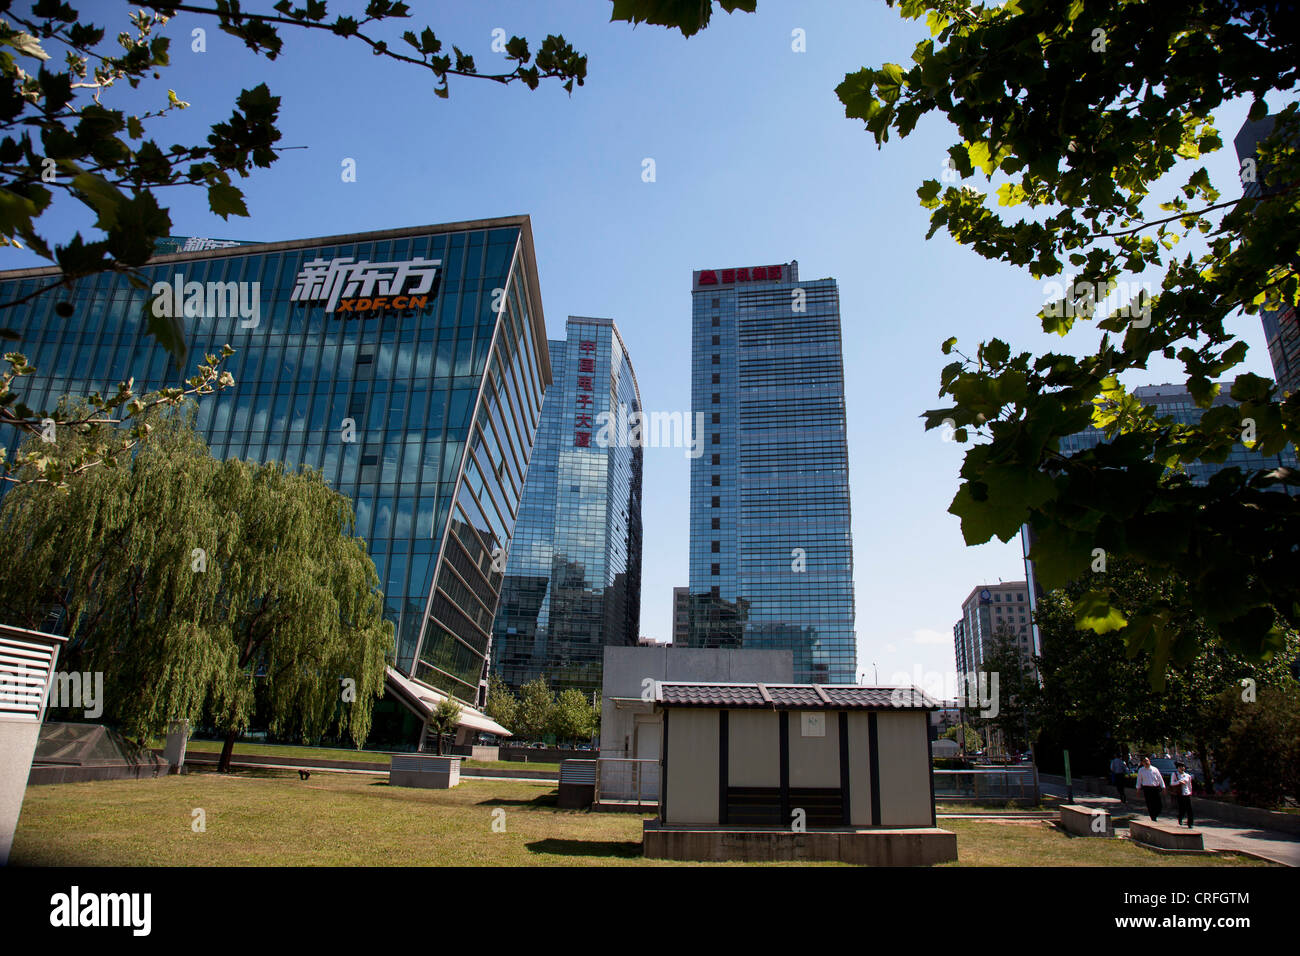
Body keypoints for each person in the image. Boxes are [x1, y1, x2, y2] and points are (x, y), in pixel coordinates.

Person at [1135, 756, 1166, 821]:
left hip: (1155, 788)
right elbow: (1139, 780)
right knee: (1150, 803)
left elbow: (1160, 778)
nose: (1146, 762)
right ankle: (1153, 817)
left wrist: (1163, 787)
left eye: (1147, 761)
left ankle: (1156, 813)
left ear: (1149, 761)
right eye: (1144, 761)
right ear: (1142, 763)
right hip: (1147, 789)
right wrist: (1138, 788)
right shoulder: (1141, 770)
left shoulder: (1155, 769)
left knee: (1159, 804)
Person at [1171, 761, 1195, 828]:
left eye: (1183, 767)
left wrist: (1190, 792)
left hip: (1187, 793)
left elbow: (1189, 785)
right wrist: (1179, 782)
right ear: (1178, 768)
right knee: (1182, 808)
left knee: (1189, 809)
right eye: (1180, 767)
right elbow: (1172, 783)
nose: (1182, 768)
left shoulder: (1187, 775)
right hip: (1180, 793)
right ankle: (1180, 817)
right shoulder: (1175, 774)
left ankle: (1190, 823)